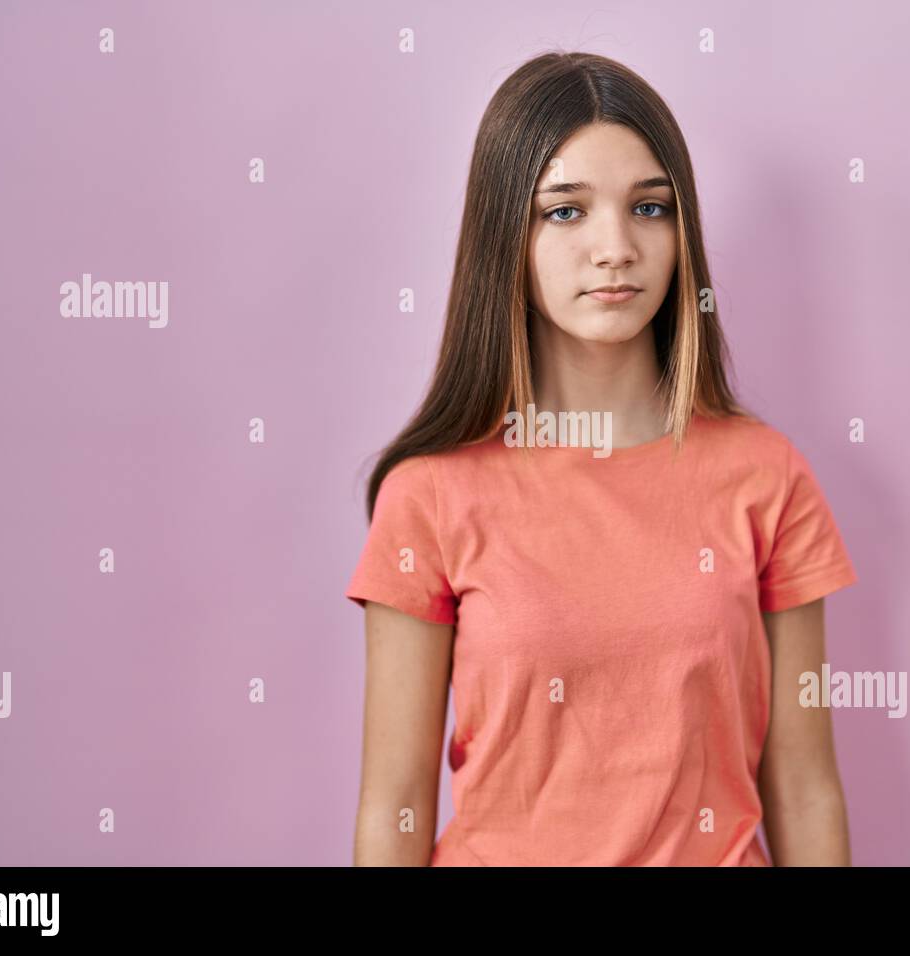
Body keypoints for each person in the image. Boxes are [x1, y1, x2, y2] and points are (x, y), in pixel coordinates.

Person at [346, 51, 859, 866]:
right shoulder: (431, 497)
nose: (615, 246)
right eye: (565, 211)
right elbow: (393, 808)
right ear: (502, 235)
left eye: (649, 208)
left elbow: (804, 787)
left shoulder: (768, 478)